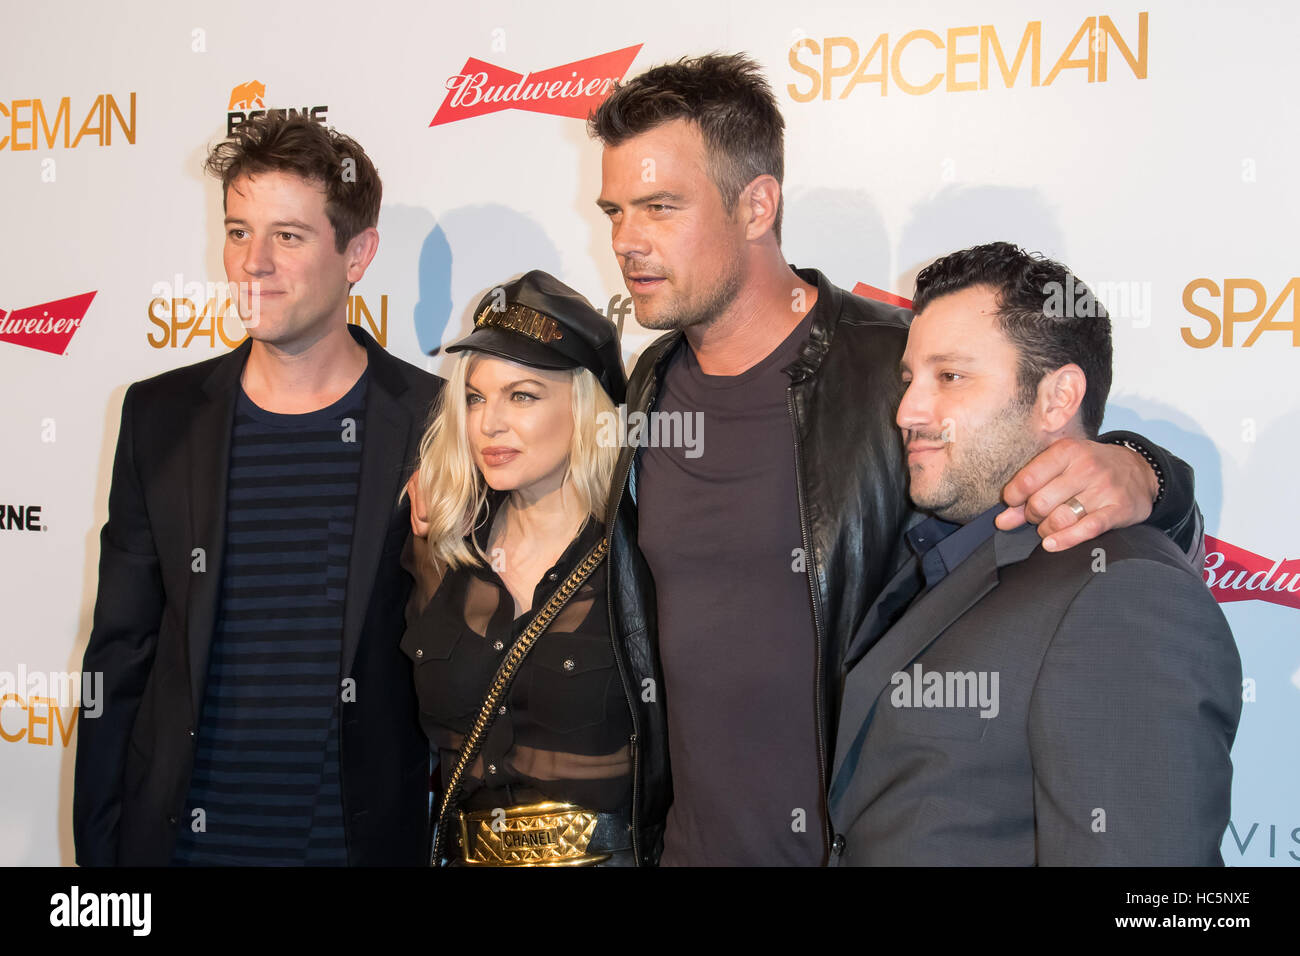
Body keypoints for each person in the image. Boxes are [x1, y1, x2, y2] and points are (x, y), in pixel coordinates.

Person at [587, 53, 1205, 865]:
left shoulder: (895, 370)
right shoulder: (650, 384)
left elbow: (1068, 526)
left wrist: (1146, 473)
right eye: (614, 212)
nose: (627, 241)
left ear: (757, 205)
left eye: (661, 207)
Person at [74, 114, 441, 865]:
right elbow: (120, 654)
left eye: (289, 236)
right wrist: (101, 855)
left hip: (354, 845)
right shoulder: (161, 417)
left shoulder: (435, 424)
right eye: (239, 232)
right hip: (181, 846)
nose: (253, 263)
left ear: (358, 253)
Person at [828, 242, 1241, 864]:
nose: (906, 410)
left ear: (1057, 397)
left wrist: (1149, 471)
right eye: (910, 379)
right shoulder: (944, 549)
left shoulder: (1123, 595)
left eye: (951, 376)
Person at [402, 270, 633, 866]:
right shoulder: (439, 549)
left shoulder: (644, 556)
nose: (489, 424)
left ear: (586, 409)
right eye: (476, 398)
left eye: (522, 396)